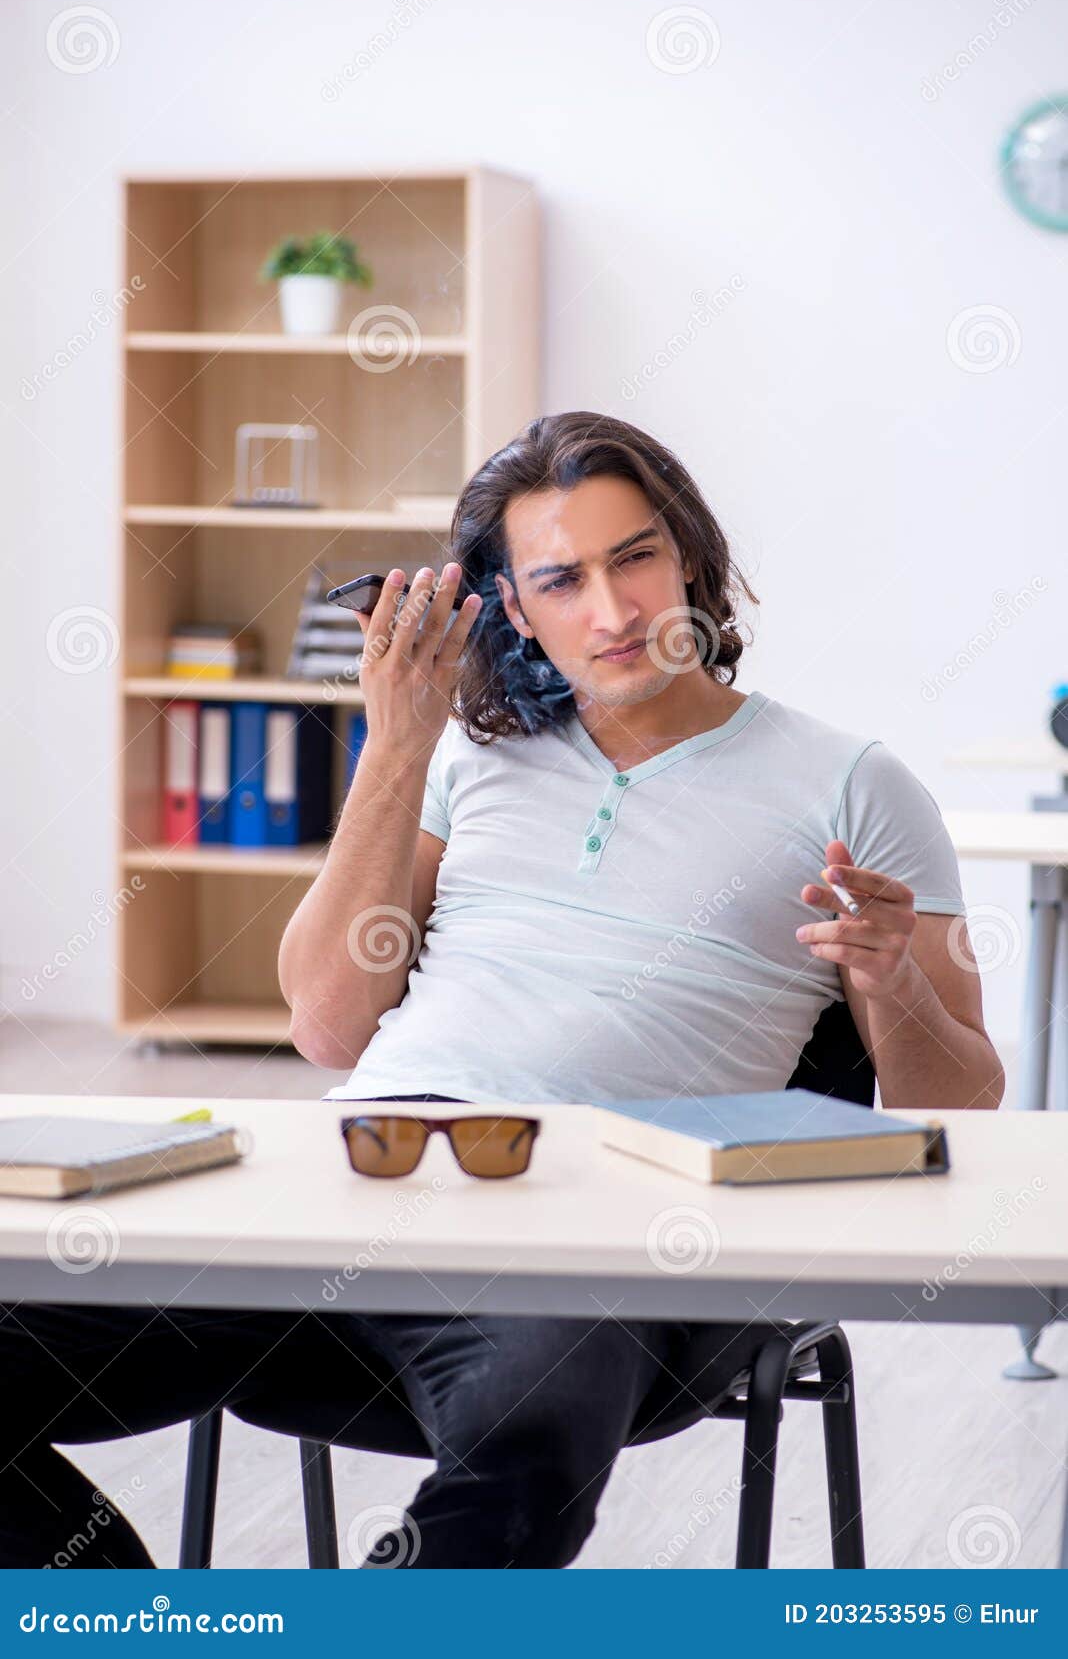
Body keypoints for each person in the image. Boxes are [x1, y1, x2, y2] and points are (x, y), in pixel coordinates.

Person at [2, 412, 1003, 1569]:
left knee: (524, 1443)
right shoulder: (466, 758)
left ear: (688, 555)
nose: (615, 611)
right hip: (346, 1198)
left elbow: (963, 1103)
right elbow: (328, 1025)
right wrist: (394, 749)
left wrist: (894, 986)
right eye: (563, 579)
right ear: (515, 608)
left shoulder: (857, 785)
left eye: (634, 557)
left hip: (599, 1242)